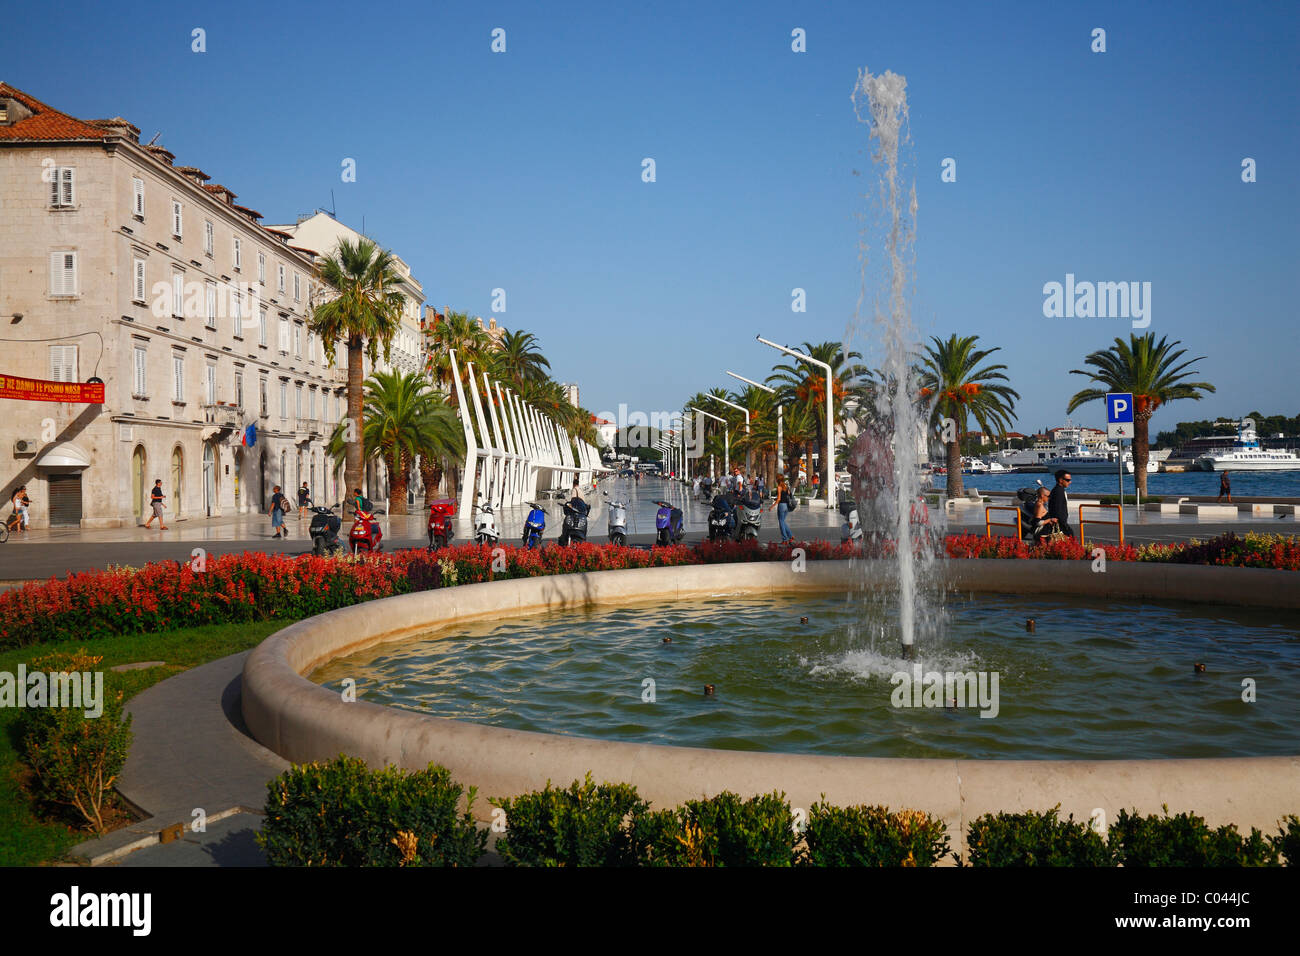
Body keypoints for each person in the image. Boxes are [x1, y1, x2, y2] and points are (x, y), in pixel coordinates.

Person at [1047, 469, 1074, 538]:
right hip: (1059, 522)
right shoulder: (1059, 491)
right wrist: (1063, 523)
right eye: (1067, 480)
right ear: (1060, 480)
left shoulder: (1058, 489)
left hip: (1059, 521)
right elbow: (1057, 508)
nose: (1070, 482)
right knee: (1070, 537)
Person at [771, 477, 794, 543]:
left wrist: (772, 506)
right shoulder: (786, 487)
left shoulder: (779, 487)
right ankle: (790, 536)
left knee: (781, 522)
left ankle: (785, 539)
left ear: (778, 480)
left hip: (781, 506)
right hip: (786, 506)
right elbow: (788, 495)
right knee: (783, 521)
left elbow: (779, 499)